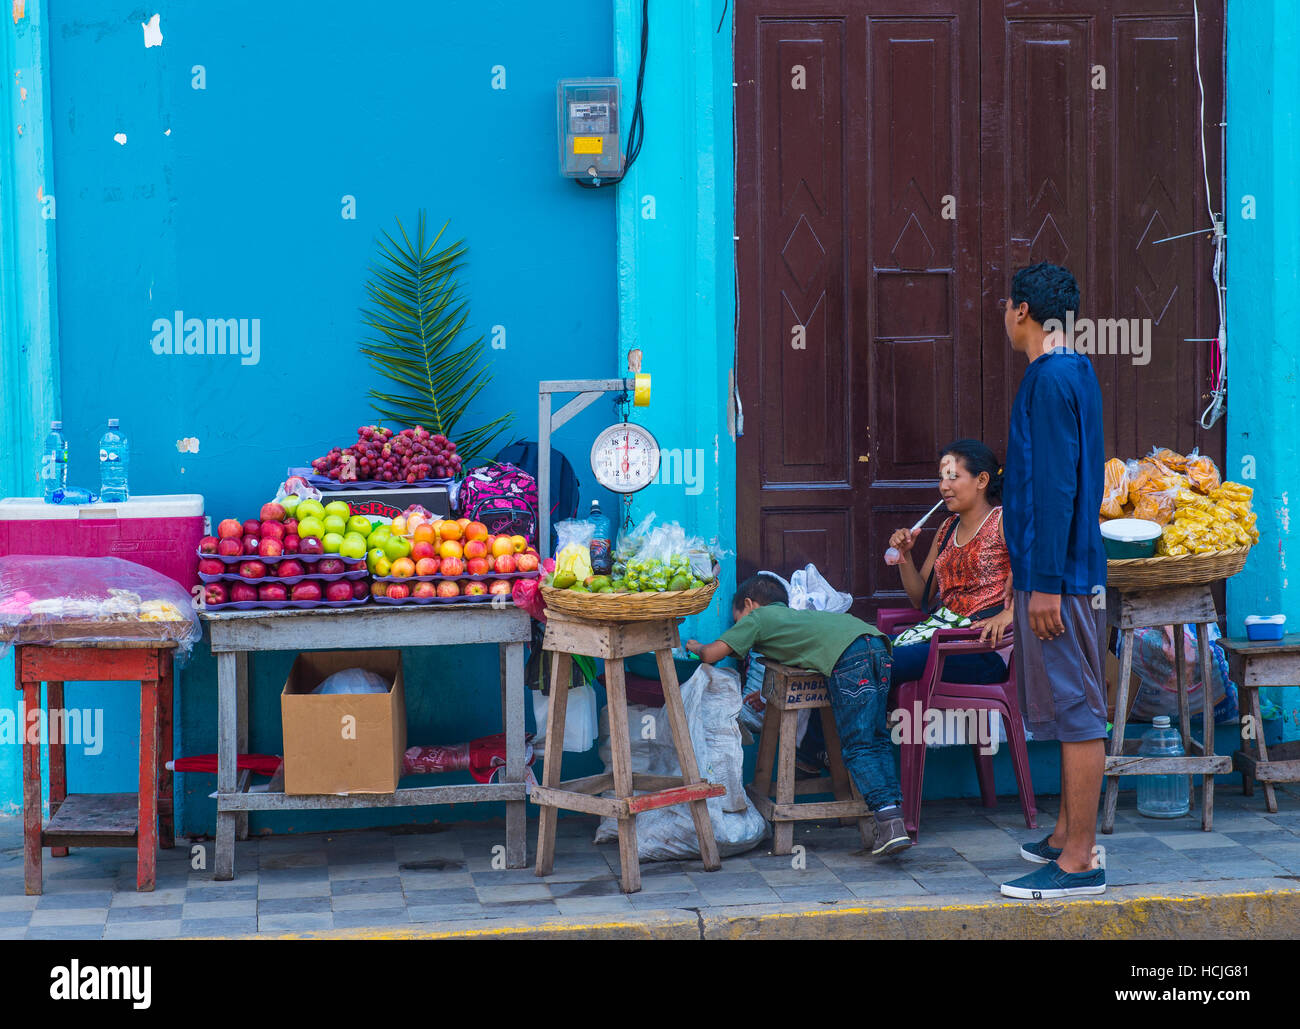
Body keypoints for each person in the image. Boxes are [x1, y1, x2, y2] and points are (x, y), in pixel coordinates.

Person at [995, 262, 1109, 900]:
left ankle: (1079, 864)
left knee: (1078, 712)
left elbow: (1058, 486)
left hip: (1058, 579)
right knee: (1073, 707)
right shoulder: (1078, 370)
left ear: (1022, 310)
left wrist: (1043, 584)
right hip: (1065, 572)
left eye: (1005, 307)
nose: (1004, 317)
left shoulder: (1049, 378)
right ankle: (1068, 833)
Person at [685, 574, 912, 856]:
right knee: (876, 740)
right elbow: (809, 656)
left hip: (850, 657)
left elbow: (711, 655)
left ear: (750, 605)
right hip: (876, 645)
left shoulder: (758, 618)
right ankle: (894, 820)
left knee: (857, 746)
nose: (738, 628)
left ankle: (888, 823)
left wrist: (694, 646)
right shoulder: (796, 619)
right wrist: (767, 695)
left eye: (737, 620)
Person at [887, 439, 1014, 688]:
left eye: (953, 477)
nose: (944, 487)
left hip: (981, 649)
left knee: (874, 662)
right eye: (942, 478)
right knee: (853, 656)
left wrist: (1009, 614)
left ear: (982, 480)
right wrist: (905, 555)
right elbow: (919, 597)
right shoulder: (946, 529)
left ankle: (870, 729)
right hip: (942, 640)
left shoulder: (1003, 522)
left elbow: (1030, 573)